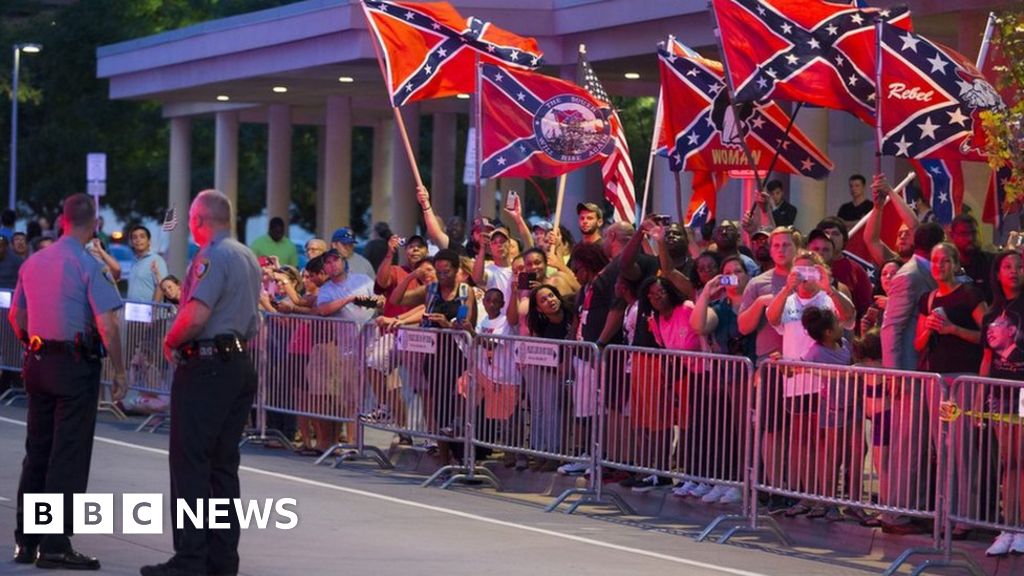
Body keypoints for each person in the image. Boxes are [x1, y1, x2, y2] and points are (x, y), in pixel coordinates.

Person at [142, 189, 261, 576]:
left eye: (192, 220)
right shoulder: (247, 257)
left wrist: (170, 339)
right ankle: (222, 558)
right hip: (239, 363)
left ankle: (190, 557)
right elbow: (253, 321)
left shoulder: (211, 256)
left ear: (199, 220)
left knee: (191, 463)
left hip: (208, 364)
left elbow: (195, 315)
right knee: (223, 465)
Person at [10, 193, 127, 570]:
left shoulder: (33, 261)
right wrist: (120, 371)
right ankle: (55, 544)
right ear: (94, 225)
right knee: (68, 455)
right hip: (75, 366)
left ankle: (26, 542)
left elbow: (17, 316)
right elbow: (107, 325)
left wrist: (33, 345)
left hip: (38, 362)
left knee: (38, 451)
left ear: (62, 221)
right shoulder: (89, 265)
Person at [979, 250, 1024, 556]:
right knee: (1009, 462)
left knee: (1022, 462)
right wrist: (982, 397)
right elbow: (986, 359)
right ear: (998, 273)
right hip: (1000, 394)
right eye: (1007, 266)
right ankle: (1008, 527)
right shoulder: (991, 313)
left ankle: (1021, 526)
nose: (1014, 271)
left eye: (1020, 266)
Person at [913, 243, 986, 374]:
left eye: (945, 260)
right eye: (934, 260)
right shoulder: (928, 299)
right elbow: (918, 345)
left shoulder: (970, 294)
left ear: (956, 266)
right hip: (936, 376)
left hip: (966, 375)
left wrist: (954, 329)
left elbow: (988, 337)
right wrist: (929, 329)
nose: (939, 265)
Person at [816, 217, 873, 320]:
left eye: (835, 234)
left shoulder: (856, 270)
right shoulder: (808, 267)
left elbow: (865, 308)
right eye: (826, 233)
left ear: (844, 240)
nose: (830, 237)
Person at [949, 214, 994, 303]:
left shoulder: (991, 262)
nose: (970, 238)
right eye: (964, 233)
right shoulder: (948, 267)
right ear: (952, 236)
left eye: (973, 233)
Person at [125, 225, 168, 301]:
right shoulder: (134, 261)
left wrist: (154, 309)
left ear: (149, 241)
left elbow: (161, 286)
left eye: (142, 237)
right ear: (132, 242)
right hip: (131, 309)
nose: (138, 240)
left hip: (148, 310)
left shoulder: (156, 260)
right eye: (135, 237)